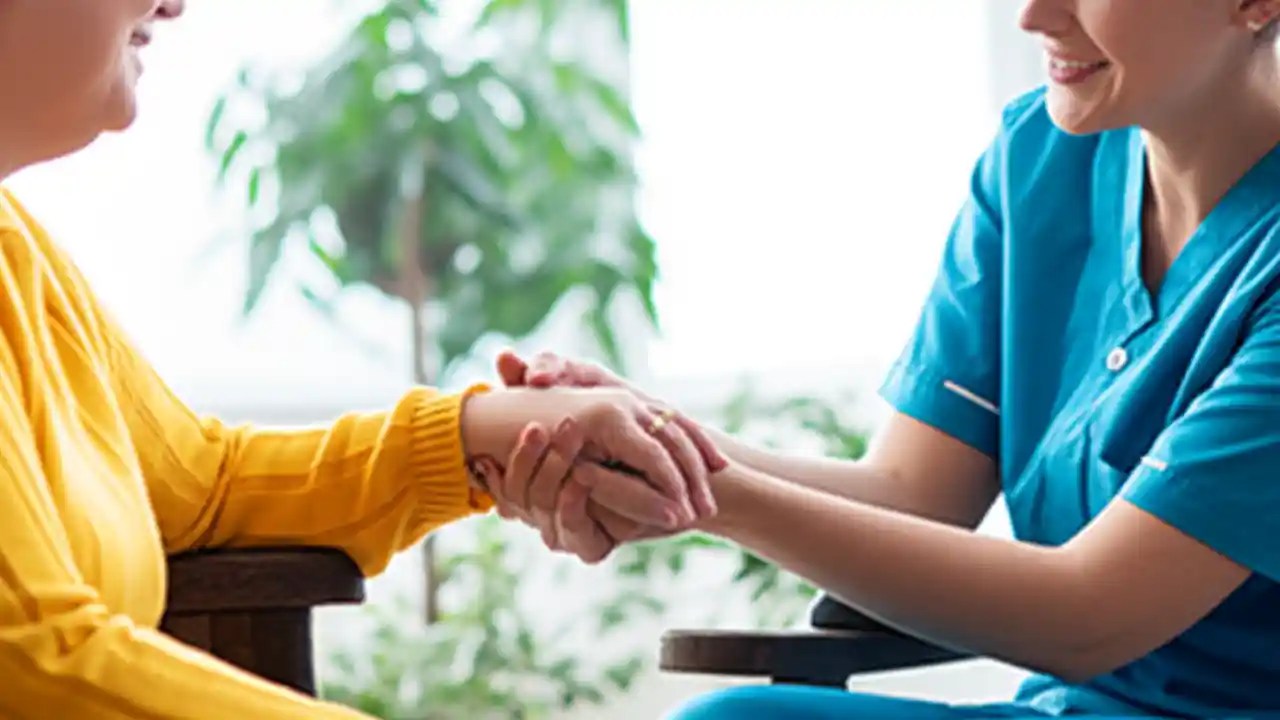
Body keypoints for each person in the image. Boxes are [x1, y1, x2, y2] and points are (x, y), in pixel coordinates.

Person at [480, 0, 1280, 717]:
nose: (1033, 15)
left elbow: (1089, 615)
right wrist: (653, 437)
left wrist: (696, 491)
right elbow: (910, 495)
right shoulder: (1040, 160)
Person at [0, 1, 725, 718]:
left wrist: (478, 435)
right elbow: (28, 662)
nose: (173, 5)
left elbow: (205, 490)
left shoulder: (17, 250)